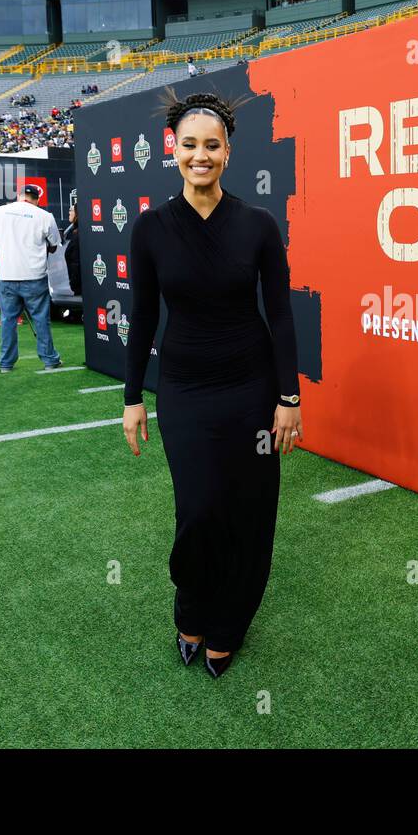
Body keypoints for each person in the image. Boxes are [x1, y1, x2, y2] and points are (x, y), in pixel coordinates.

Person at [123, 90, 302, 678]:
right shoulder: (150, 227)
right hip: (185, 391)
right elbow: (143, 317)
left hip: (250, 390)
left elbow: (280, 316)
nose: (201, 155)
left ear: (229, 151)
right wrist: (131, 399)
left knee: (248, 510)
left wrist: (288, 398)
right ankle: (191, 606)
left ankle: (228, 624)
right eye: (190, 145)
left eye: (212, 145)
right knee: (198, 509)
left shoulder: (257, 225)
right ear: (173, 149)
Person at [0, 183, 62, 372]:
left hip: (7, 274)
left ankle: (6, 364)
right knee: (41, 319)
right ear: (36, 199)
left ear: (19, 196)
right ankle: (50, 360)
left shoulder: (0, 211)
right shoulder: (44, 216)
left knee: (8, 320)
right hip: (34, 275)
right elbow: (54, 245)